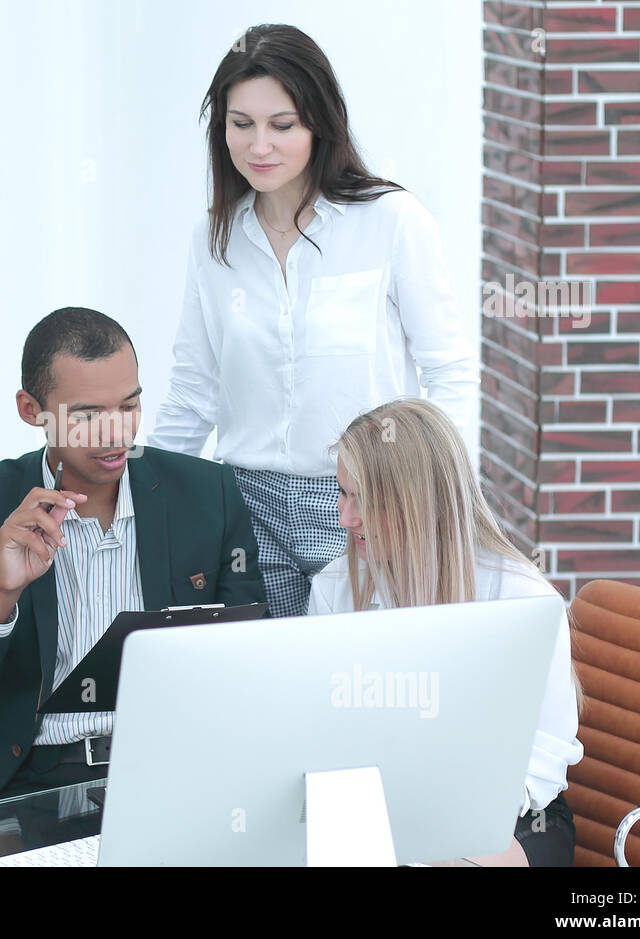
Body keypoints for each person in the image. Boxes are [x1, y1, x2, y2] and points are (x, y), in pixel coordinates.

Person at [150, 23, 479, 618]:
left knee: (357, 686)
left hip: (363, 501)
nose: (259, 147)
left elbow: (449, 374)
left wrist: (422, 497)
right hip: (247, 506)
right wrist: (137, 499)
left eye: (283, 126)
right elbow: (193, 393)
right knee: (268, 688)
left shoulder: (392, 222)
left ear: (319, 124)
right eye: (240, 124)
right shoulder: (213, 239)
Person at [0, 307, 266, 829]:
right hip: (30, 784)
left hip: (172, 773)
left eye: (130, 404)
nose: (116, 432)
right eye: (88, 414)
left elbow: (249, 664)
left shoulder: (207, 496)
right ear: (32, 410)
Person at [307, 397, 584, 866]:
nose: (345, 518)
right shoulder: (336, 588)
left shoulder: (522, 599)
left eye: (364, 501)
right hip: (381, 807)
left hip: (513, 819)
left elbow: (545, 755)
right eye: (342, 493)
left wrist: (446, 813)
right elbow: (321, 728)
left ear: (420, 504)